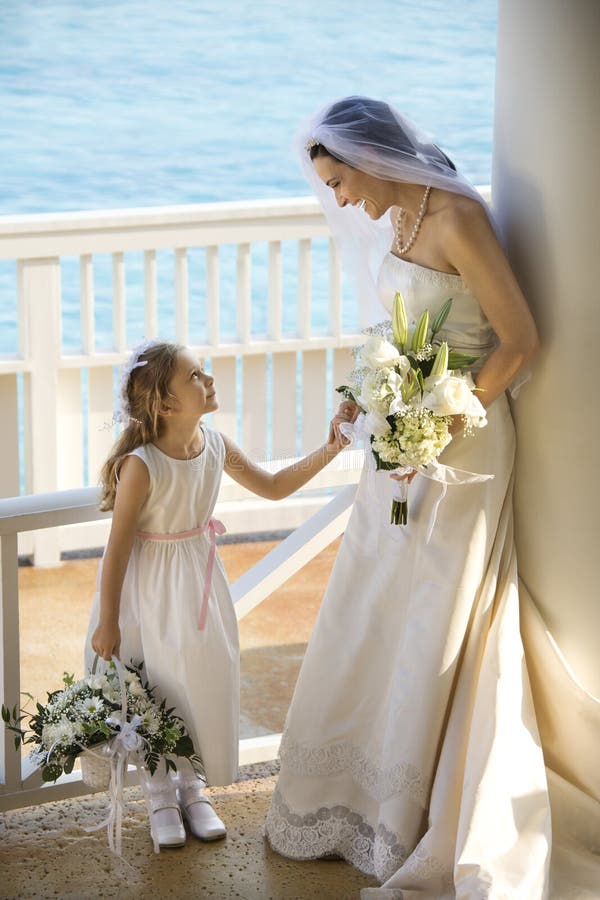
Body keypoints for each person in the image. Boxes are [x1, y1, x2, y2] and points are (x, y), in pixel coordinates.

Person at [265, 97, 550, 899]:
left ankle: (406, 812)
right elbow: (401, 328)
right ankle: (345, 801)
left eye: (340, 180)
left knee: (430, 614)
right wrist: (365, 394)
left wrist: (438, 429)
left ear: (374, 157)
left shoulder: (457, 217)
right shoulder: (392, 221)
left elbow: (520, 339)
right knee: (371, 607)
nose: (340, 199)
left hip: (460, 447)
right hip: (394, 446)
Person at [85, 338, 353, 850]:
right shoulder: (141, 465)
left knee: (201, 677)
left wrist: (332, 446)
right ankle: (160, 789)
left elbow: (274, 486)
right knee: (154, 682)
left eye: (203, 372)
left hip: (198, 577)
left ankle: (193, 785)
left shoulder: (216, 444)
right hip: (149, 587)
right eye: (194, 376)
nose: (208, 381)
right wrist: (109, 621)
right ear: (164, 405)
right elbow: (117, 549)